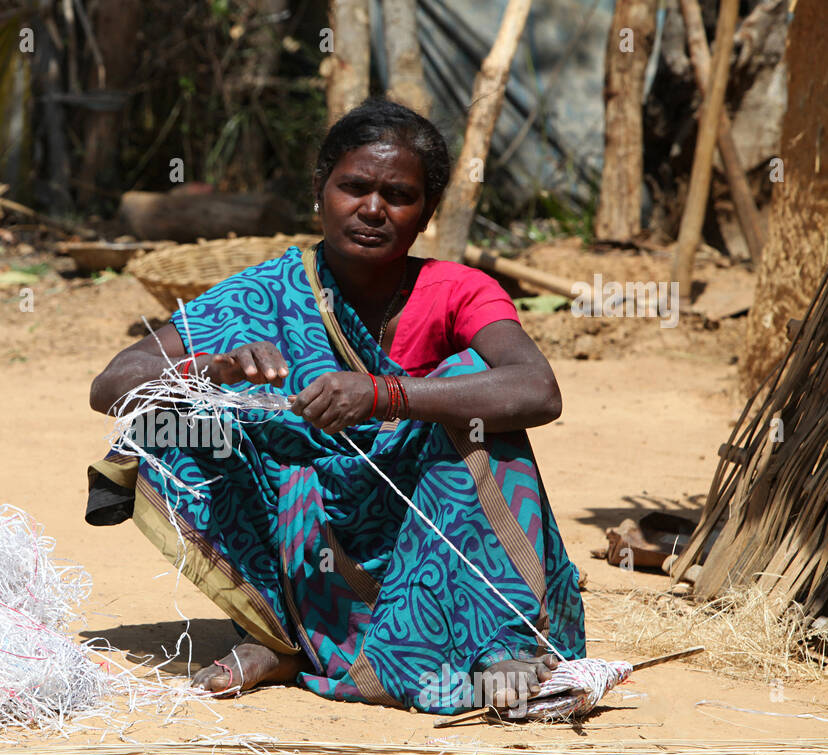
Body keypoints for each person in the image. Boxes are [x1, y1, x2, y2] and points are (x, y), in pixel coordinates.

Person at [87, 98, 584, 717]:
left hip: (424, 520)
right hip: (302, 517)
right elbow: (113, 384)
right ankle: (280, 634)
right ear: (319, 192)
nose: (373, 209)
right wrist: (206, 375)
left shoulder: (458, 291)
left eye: (398, 195)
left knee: (475, 387)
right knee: (174, 417)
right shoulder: (263, 291)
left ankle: (496, 641)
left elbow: (538, 390)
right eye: (354, 187)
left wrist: (385, 394)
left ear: (426, 213)